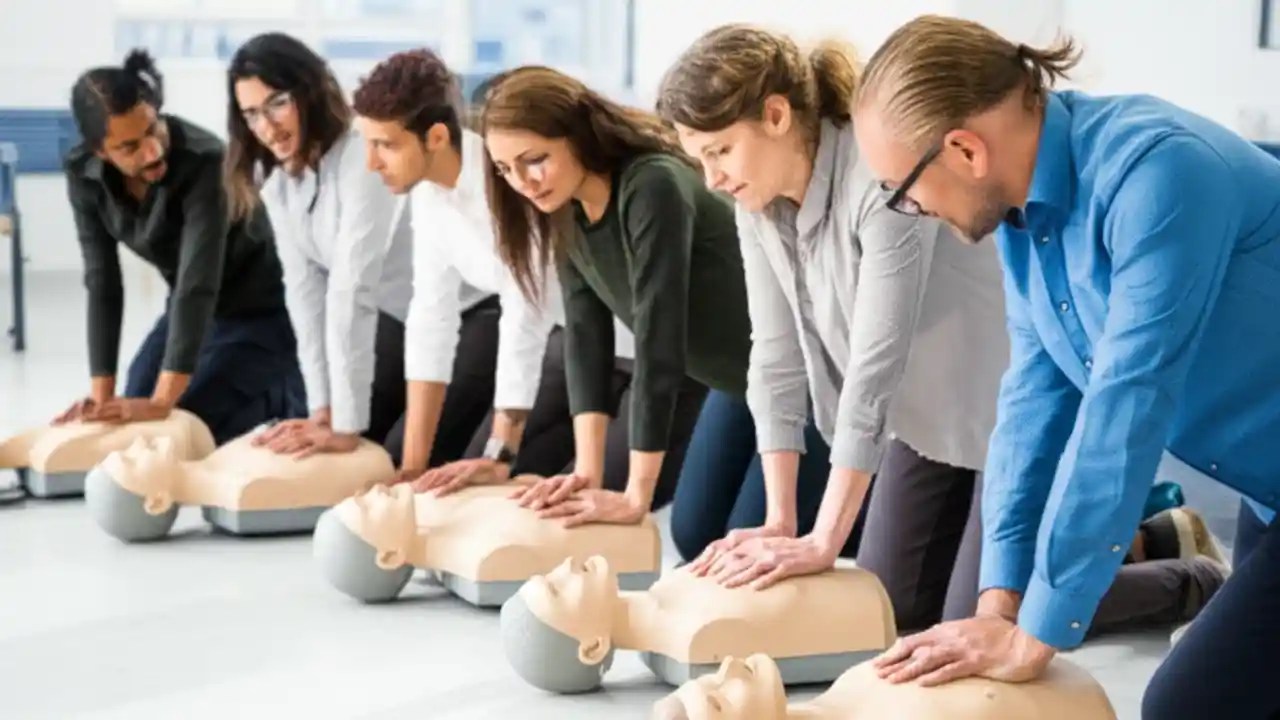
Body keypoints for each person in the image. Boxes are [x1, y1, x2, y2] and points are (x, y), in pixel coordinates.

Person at [654, 23, 1228, 635]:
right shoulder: (754, 200)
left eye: (719, 151)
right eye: (699, 159)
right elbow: (773, 354)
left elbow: (878, 363)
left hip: (1004, 405)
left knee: (980, 617)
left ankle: (1191, 579)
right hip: (927, 418)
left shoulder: (876, 174)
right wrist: (779, 520)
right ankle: (1141, 536)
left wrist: (823, 539)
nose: (710, 177)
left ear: (774, 115)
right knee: (890, 608)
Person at [850, 15, 1279, 719]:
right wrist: (1001, 599)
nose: (912, 208)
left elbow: (1126, 408)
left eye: (901, 188)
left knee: (1189, 705)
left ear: (963, 149)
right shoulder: (1027, 221)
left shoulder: (1159, 173)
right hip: (1267, 482)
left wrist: (1039, 633)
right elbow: (1031, 406)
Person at [349, 48, 636, 492]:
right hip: (569, 346)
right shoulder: (428, 197)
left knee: (544, 488)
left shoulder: (514, 175)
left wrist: (501, 449)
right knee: (477, 484)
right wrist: (412, 469)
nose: (371, 162)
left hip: (627, 345)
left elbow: (525, 312)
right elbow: (431, 320)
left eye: (386, 145)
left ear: (437, 138)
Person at [481, 66, 747, 529]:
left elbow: (658, 341)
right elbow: (586, 338)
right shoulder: (562, 206)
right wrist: (588, 473)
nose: (522, 181)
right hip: (732, 386)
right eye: (506, 169)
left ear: (577, 135)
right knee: (695, 533)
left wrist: (634, 497)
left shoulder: (651, 185)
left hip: (793, 380)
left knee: (742, 533)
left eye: (534, 159)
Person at [61, 49, 304, 445]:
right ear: (99, 151)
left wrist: (162, 403)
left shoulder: (205, 162)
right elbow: (102, 281)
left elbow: (197, 281)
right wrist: (100, 402)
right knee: (136, 410)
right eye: (130, 147)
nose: (153, 150)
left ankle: (286, 392)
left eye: (153, 129)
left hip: (266, 312)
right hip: (193, 310)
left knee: (184, 421)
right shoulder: (83, 174)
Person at [224, 33, 413, 458]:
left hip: (418, 320)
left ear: (309, 91)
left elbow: (352, 288)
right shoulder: (279, 188)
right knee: (304, 422)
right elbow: (306, 299)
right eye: (251, 114)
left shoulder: (361, 154)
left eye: (277, 103)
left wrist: (345, 425)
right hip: (373, 325)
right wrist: (322, 410)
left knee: (380, 446)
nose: (267, 127)